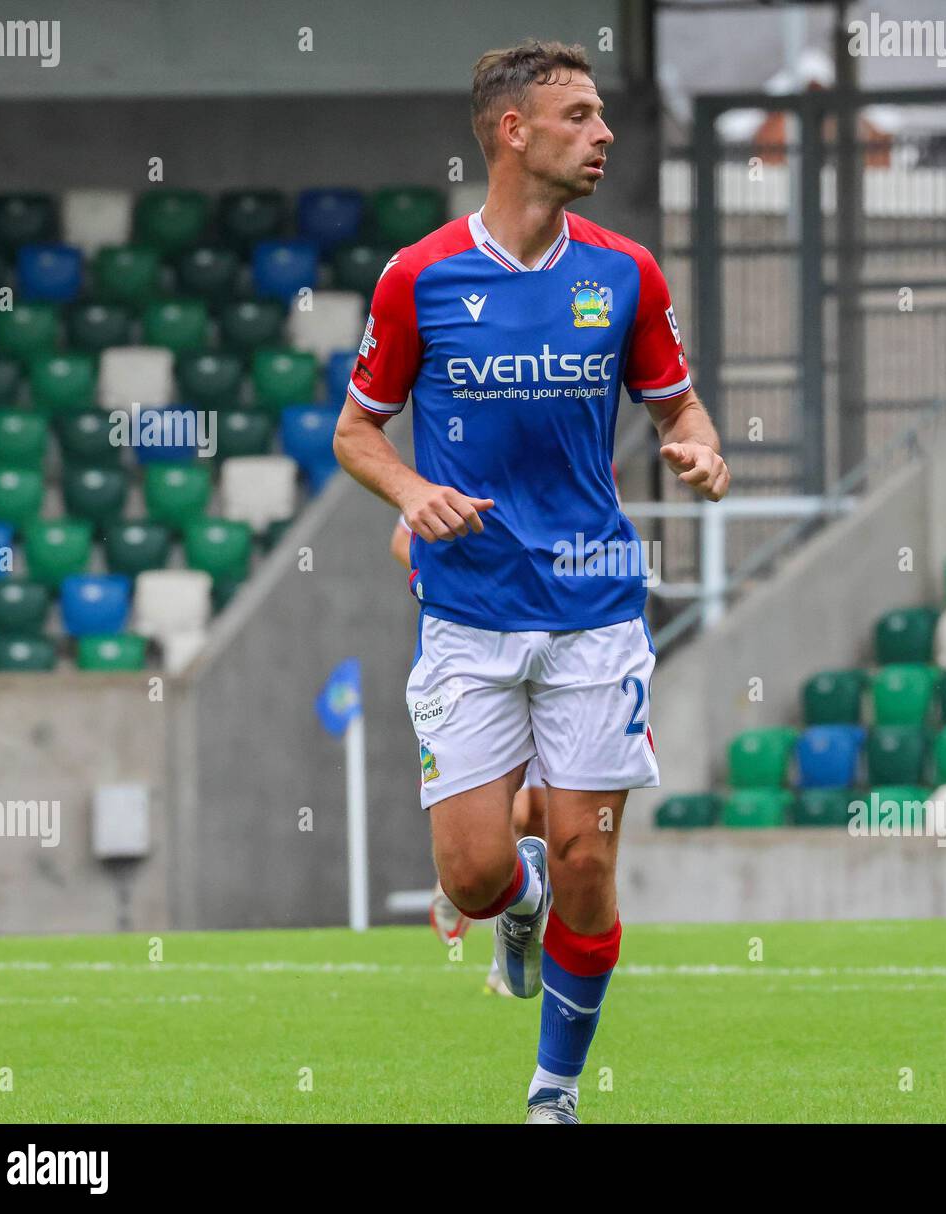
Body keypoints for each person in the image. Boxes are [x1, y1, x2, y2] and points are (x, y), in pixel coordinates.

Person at [333, 38, 729, 1124]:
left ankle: (553, 1092)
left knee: (589, 865)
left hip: (596, 610)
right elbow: (356, 432)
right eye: (581, 116)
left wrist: (695, 444)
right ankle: (517, 904)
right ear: (515, 130)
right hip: (468, 610)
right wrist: (412, 493)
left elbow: (675, 404)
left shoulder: (624, 273)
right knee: (469, 874)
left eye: (602, 116)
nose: (604, 134)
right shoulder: (419, 277)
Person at [391, 514, 547, 997]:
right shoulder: (460, 463)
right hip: (484, 649)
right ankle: (487, 888)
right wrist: (445, 575)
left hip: (563, 645)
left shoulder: (584, 466)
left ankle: (520, 932)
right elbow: (403, 538)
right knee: (518, 812)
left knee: (546, 817)